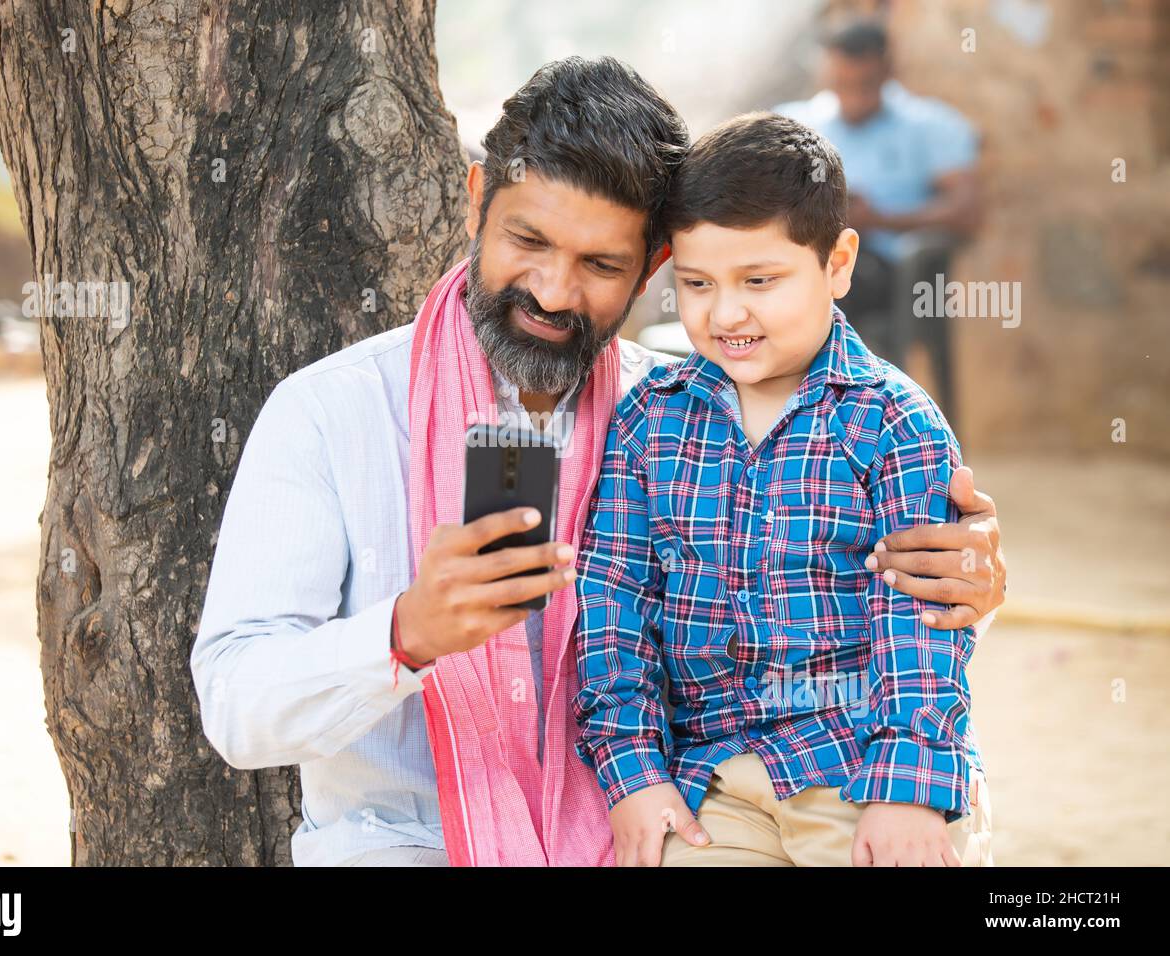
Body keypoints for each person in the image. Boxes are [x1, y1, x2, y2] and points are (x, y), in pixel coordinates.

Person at [190, 57, 1007, 868]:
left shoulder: (674, 411)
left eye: (601, 266)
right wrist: (405, 635)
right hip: (410, 846)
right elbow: (234, 707)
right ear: (478, 201)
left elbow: (832, 587)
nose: (551, 290)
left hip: (646, 832)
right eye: (528, 240)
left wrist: (968, 584)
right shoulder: (335, 412)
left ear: (652, 269)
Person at [574, 112, 991, 867]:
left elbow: (922, 622)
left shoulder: (894, 424)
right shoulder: (650, 418)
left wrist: (908, 790)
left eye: (759, 281)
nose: (725, 313)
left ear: (837, 265)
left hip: (861, 770)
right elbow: (613, 602)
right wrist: (632, 771)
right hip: (712, 786)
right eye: (697, 284)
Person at [774, 18, 981, 373]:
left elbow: (967, 213)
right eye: (842, 84)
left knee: (828, 281)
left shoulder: (927, 125)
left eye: (864, 85)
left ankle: (835, 401)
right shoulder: (797, 123)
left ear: (887, 70)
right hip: (805, 253)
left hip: (888, 269)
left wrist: (879, 220)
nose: (852, 98)